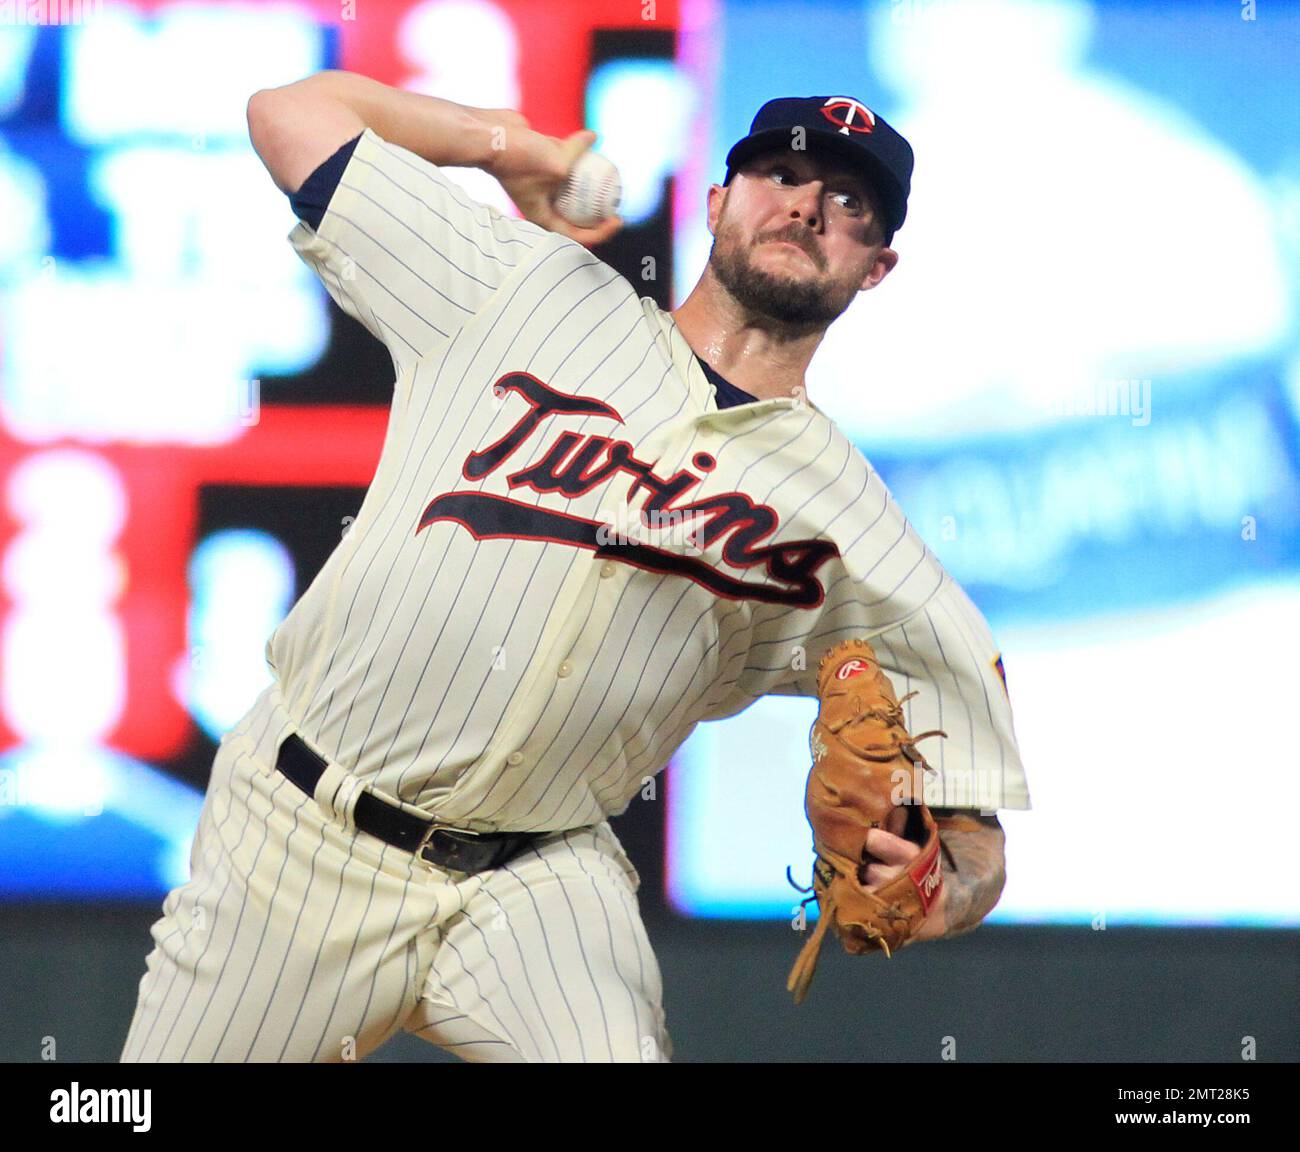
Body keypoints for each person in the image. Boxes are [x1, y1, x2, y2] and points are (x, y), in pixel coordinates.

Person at [120, 75, 1028, 1063]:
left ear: (877, 265)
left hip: (538, 878)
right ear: (718, 203)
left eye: (848, 201)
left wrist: (940, 885)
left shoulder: (856, 529)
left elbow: (973, 830)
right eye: (780, 172)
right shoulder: (516, 288)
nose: (807, 204)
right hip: (300, 836)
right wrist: (511, 148)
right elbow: (286, 114)